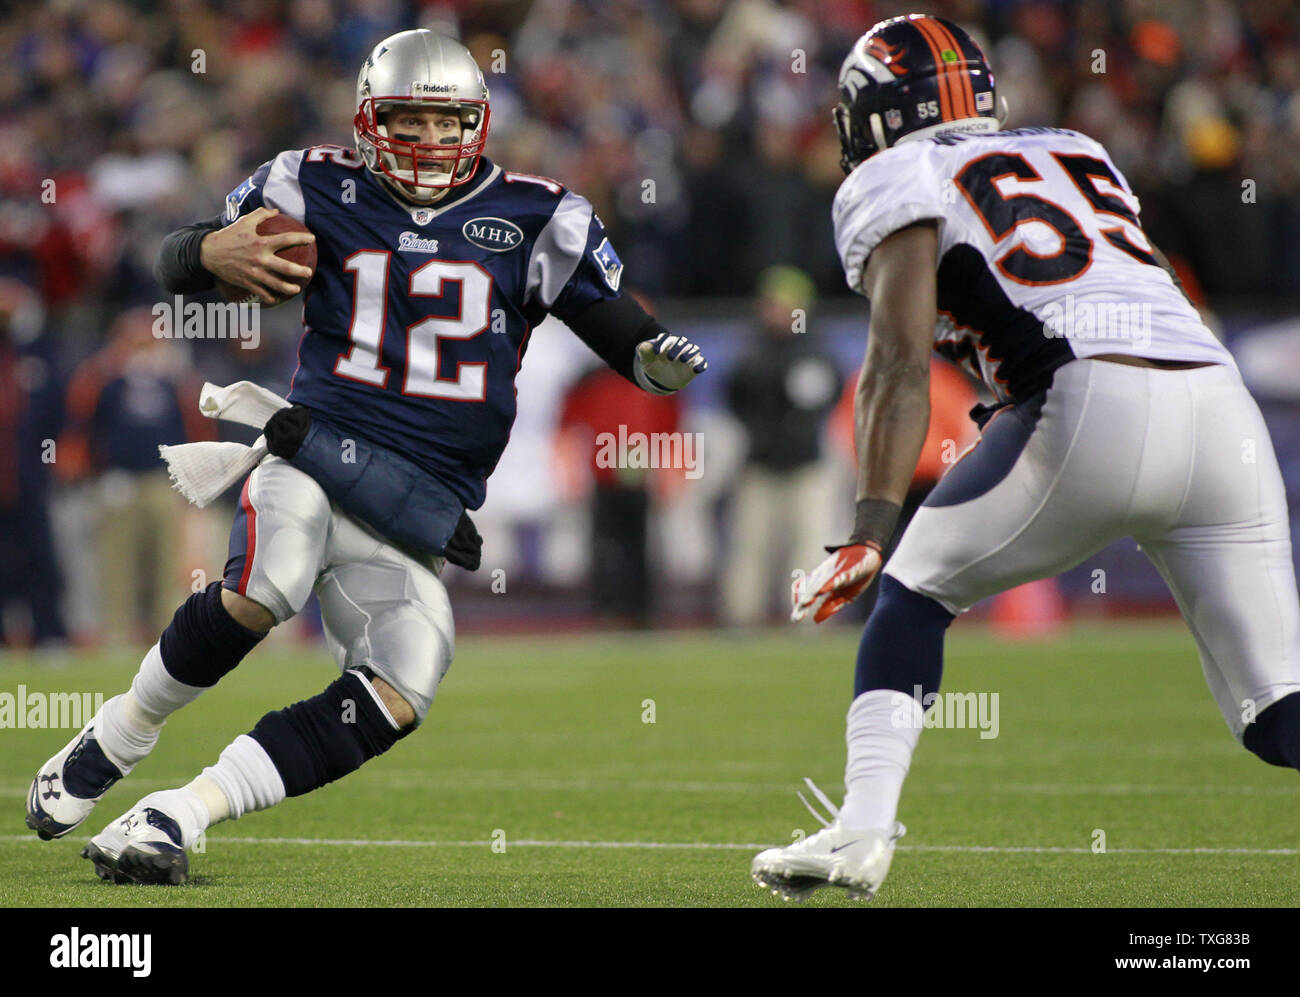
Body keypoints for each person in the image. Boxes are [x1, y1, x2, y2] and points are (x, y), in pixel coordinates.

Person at [26, 29, 707, 885]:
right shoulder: (310, 182)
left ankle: (175, 813)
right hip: (314, 450)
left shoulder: (542, 214)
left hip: (417, 501)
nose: (426, 141)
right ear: (367, 122)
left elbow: (624, 333)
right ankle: (118, 735)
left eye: (444, 121)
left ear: (480, 122)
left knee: (404, 682)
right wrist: (202, 252)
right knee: (265, 586)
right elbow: (171, 261)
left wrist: (654, 357)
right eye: (407, 122)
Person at [752, 13, 1300, 902]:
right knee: (1278, 712)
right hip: (1220, 402)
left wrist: (869, 527)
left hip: (1086, 401)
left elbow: (895, 362)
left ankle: (861, 831)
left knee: (914, 589)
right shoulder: (1075, 146)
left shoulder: (897, 175)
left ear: (878, 115)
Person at [721, 266, 842, 627]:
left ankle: (810, 620)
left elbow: (827, 397)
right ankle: (742, 619)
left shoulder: (815, 351)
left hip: (807, 465)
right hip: (760, 464)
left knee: (811, 545)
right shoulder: (751, 351)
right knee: (750, 548)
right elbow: (735, 398)